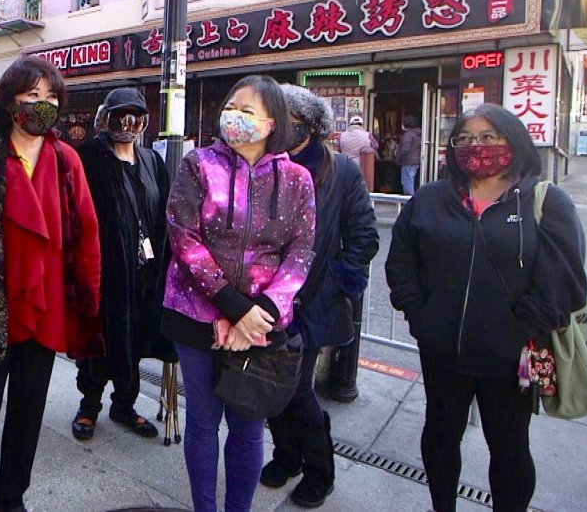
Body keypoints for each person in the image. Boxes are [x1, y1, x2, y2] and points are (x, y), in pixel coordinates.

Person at [385, 104, 587, 512]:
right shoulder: (428, 198)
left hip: (512, 360)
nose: (476, 147)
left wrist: (516, 333)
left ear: (512, 141)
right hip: (442, 352)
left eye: (488, 137)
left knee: (510, 447)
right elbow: (401, 264)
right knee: (440, 436)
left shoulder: (546, 201)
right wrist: (422, 320)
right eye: (465, 138)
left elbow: (562, 284)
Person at [0, 56, 103, 512]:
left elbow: (87, 238)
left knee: (28, 415)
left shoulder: (67, 160)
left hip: (45, 312)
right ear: (10, 102)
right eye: (33, 96)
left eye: (51, 97)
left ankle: (9, 498)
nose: (43, 106)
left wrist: (85, 313)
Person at [163, 75, 316, 512]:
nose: (234, 117)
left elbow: (301, 252)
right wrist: (232, 306)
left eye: (247, 111)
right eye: (231, 107)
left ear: (272, 122)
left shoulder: (296, 179)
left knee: (249, 430)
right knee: (202, 424)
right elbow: (184, 237)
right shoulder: (198, 164)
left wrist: (261, 313)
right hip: (197, 315)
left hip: (261, 326)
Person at [260, 86, 379, 508]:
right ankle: (285, 456)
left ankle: (319, 470)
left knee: (297, 389)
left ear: (309, 126)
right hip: (264, 302)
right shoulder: (263, 163)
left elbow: (364, 237)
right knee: (270, 385)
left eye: (288, 117)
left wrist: (337, 283)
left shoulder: (342, 171)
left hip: (311, 302)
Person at [71, 88, 176, 442]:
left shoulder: (152, 162)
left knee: (134, 337)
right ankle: (89, 405)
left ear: (144, 122)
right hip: (103, 271)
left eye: (134, 117)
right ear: (106, 118)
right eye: (120, 116)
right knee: (100, 338)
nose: (127, 125)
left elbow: (164, 215)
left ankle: (124, 405)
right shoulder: (87, 157)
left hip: (143, 272)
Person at [395, 115, 421, 195]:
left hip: (408, 161)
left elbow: (405, 149)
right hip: (416, 161)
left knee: (407, 182)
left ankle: (409, 201)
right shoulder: (418, 134)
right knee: (411, 180)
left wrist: (399, 159)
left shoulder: (408, 135)